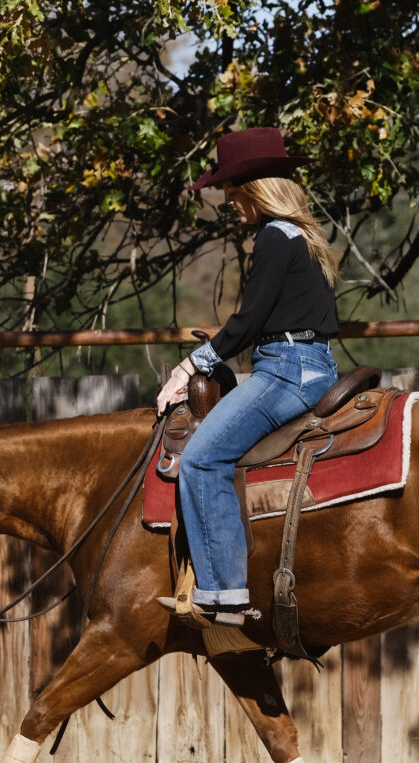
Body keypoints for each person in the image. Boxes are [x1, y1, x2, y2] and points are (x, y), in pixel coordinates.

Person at [156, 127, 341, 627]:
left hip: (287, 371)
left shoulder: (273, 238)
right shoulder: (300, 237)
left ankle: (224, 594)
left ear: (257, 189)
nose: (230, 202)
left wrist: (189, 366)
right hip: (312, 363)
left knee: (200, 458)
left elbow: (250, 320)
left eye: (234, 192)